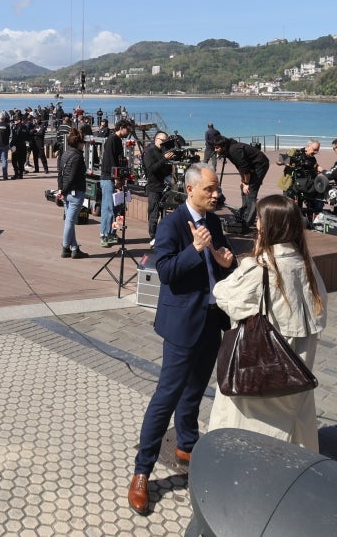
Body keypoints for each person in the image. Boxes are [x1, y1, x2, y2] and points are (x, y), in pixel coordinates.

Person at [128, 163, 235, 515]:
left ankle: (187, 444)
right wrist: (195, 249)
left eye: (217, 188)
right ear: (190, 189)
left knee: (195, 391)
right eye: (210, 189)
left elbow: (221, 265)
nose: (216, 194)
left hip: (210, 320)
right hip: (181, 324)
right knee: (167, 396)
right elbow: (165, 272)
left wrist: (225, 260)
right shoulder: (172, 224)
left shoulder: (215, 221)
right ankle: (142, 471)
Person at [209, 193, 327, 450]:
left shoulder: (261, 268)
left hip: (258, 373)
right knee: (293, 442)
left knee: (249, 438)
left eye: (260, 221)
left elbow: (224, 295)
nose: (256, 226)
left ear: (270, 226)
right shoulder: (307, 265)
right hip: (297, 373)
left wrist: (235, 268)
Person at [219, 137, 271, 227]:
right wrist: (243, 181)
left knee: (251, 191)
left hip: (260, 165)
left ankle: (248, 221)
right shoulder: (228, 151)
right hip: (253, 165)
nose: (215, 150)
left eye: (217, 147)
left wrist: (247, 183)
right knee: (243, 188)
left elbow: (245, 169)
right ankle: (245, 213)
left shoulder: (234, 150)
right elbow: (239, 167)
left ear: (223, 146)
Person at [98, 119, 133, 247]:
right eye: (127, 130)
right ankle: (105, 234)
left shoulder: (117, 140)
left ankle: (112, 233)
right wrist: (116, 178)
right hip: (109, 178)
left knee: (116, 207)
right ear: (122, 127)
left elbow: (118, 161)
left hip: (113, 177)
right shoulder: (112, 140)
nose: (128, 133)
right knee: (108, 208)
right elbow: (110, 161)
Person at [57, 128, 90, 259]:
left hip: (65, 192)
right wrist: (63, 191)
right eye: (83, 142)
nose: (84, 144)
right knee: (70, 222)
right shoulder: (78, 156)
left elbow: (61, 174)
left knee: (69, 221)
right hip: (75, 193)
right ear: (79, 143)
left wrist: (60, 190)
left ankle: (74, 248)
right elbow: (72, 177)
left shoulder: (64, 154)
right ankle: (65, 247)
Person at [142, 131, 175, 241]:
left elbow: (167, 171)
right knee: (154, 214)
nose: (164, 143)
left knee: (164, 215)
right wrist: (164, 159)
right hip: (154, 188)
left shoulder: (164, 152)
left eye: (166, 141)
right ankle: (153, 237)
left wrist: (171, 160)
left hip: (165, 187)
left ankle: (162, 236)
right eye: (162, 140)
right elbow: (151, 169)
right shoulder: (149, 153)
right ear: (156, 139)